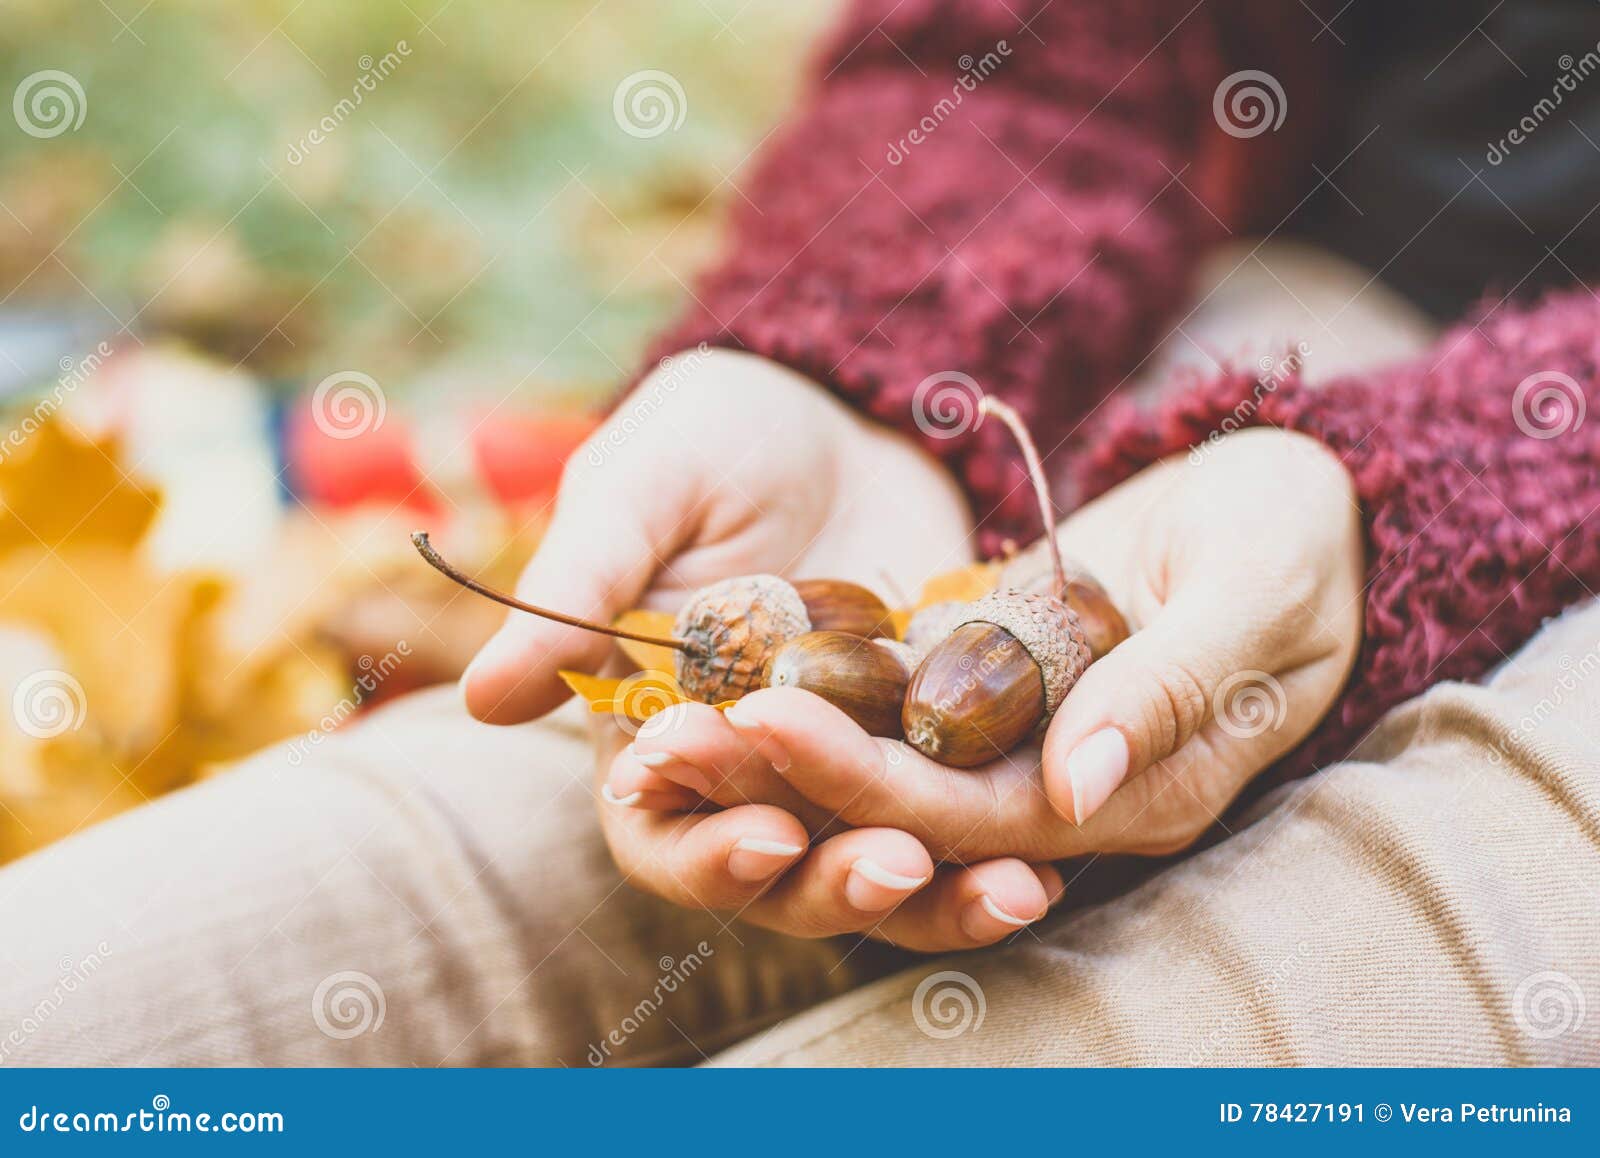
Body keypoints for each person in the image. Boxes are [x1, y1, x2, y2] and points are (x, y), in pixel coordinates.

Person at [3, 0, 1598, 1064]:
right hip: (1362, 305)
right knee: (173, 973)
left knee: (1237, 982)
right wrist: (868, 357)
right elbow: (1041, 42)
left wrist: (1420, 493)